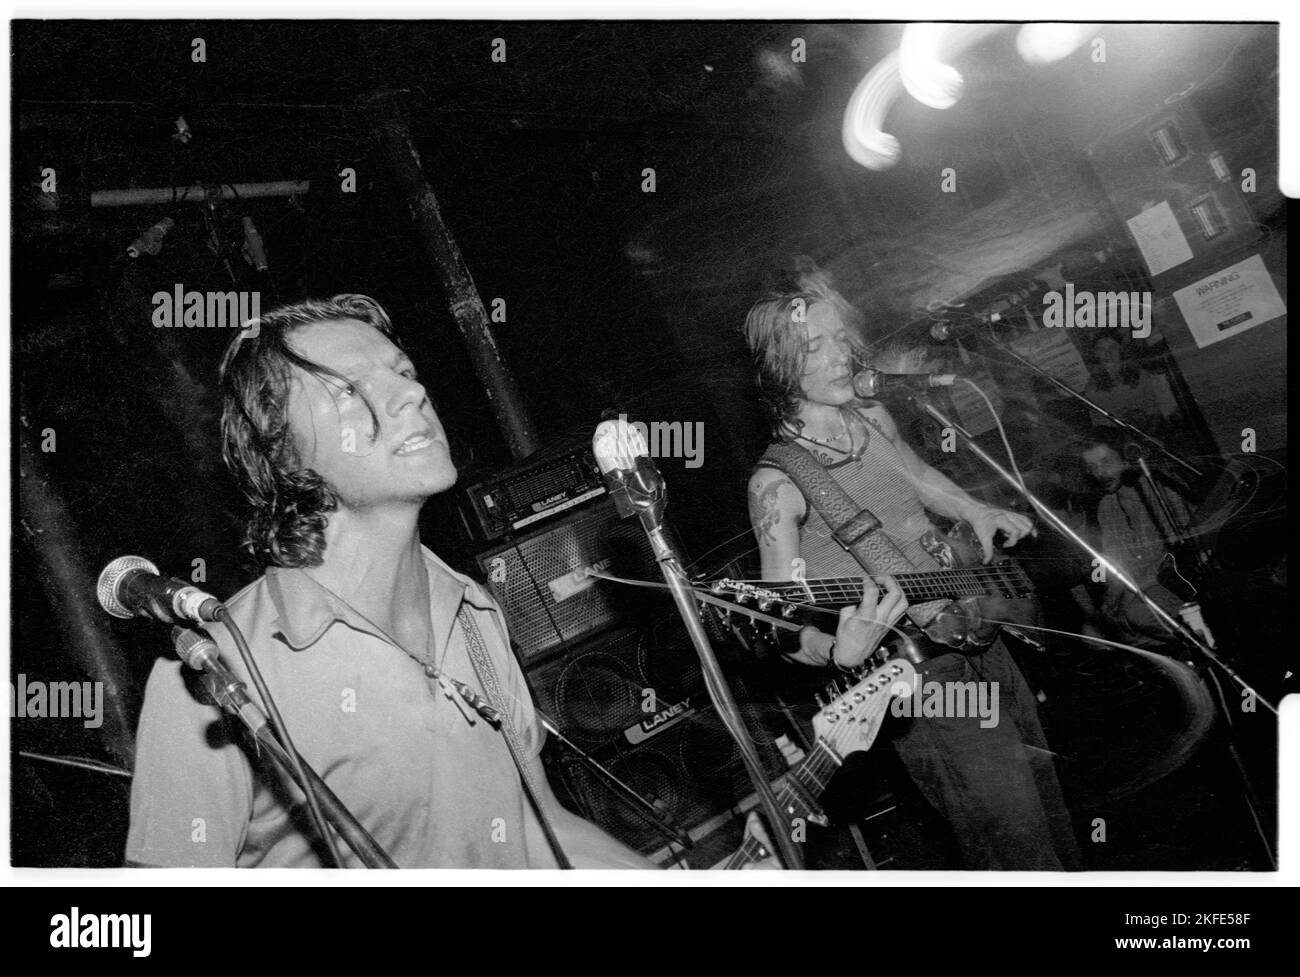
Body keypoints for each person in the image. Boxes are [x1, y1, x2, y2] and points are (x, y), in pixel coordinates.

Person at [126, 294, 652, 869]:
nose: (412, 392)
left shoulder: (473, 611)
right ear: (278, 448)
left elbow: (537, 828)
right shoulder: (211, 673)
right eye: (350, 389)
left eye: (404, 372)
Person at [741, 269, 1081, 870]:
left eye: (841, 337)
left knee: (1051, 804)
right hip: (918, 676)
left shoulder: (871, 416)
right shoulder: (778, 483)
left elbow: (918, 479)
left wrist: (974, 507)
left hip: (975, 623)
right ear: (781, 368)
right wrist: (834, 652)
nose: (844, 355)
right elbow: (777, 620)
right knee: (1014, 841)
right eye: (817, 347)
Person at [1078, 426, 1196, 648]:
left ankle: (1206, 645)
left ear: (1126, 459)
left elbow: (1175, 558)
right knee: (1092, 633)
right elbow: (1116, 564)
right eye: (1092, 467)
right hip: (1140, 588)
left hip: (1174, 582)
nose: (1100, 474)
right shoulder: (1107, 506)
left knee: (1138, 615)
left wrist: (1129, 596)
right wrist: (1108, 604)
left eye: (1106, 462)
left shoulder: (1158, 491)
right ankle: (1181, 655)